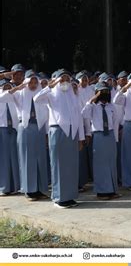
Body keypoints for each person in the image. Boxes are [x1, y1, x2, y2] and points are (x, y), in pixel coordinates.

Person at [34, 69, 85, 208]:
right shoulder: (50, 93)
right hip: (58, 130)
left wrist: (81, 138)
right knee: (59, 166)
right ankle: (59, 198)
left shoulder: (73, 95)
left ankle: (70, 197)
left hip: (72, 132)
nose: (65, 82)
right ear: (56, 80)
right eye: (62, 79)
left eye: (67, 79)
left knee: (71, 166)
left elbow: (78, 117)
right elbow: (36, 99)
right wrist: (50, 86)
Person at [5, 70, 49, 201]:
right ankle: (29, 190)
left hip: (39, 128)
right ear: (26, 82)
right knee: (27, 159)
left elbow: (46, 115)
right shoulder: (19, 94)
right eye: (31, 82)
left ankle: (40, 189)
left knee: (40, 159)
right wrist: (17, 88)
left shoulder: (40, 94)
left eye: (36, 81)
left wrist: (46, 133)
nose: (33, 84)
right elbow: (2, 98)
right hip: (25, 127)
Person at [82, 81, 121, 200]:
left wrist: (115, 139)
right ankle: (102, 191)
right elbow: (84, 114)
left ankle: (112, 190)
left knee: (111, 164)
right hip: (99, 136)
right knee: (100, 165)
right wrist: (93, 99)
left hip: (110, 135)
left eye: (106, 91)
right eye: (101, 92)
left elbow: (115, 123)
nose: (104, 94)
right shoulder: (93, 106)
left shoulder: (111, 106)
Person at [0, 78, 21, 196]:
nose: (8, 89)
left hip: (13, 130)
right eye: (4, 87)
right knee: (3, 159)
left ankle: (14, 186)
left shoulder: (13, 99)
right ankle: (3, 187)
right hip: (1, 130)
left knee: (13, 158)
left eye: (9, 87)